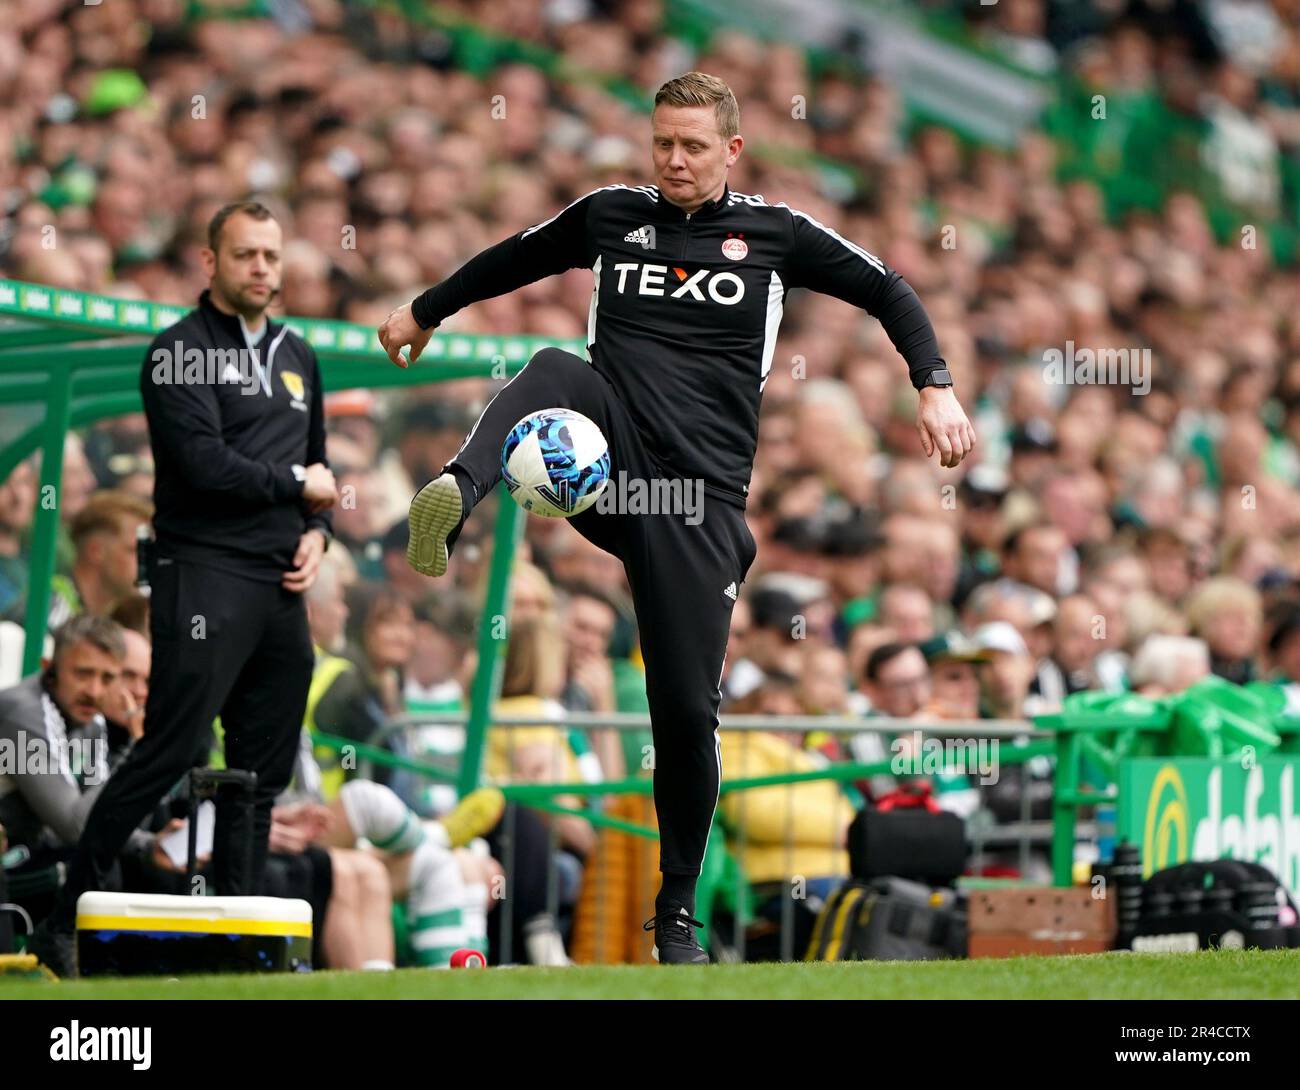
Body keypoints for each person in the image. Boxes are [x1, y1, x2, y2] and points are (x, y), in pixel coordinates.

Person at [377, 72, 975, 963]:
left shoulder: (776, 234)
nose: (674, 160)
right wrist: (425, 311)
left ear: (732, 150)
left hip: (695, 504)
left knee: (684, 714)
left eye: (693, 146)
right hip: (612, 461)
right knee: (552, 363)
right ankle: (459, 494)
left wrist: (934, 386)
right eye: (662, 142)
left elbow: (890, 288)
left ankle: (679, 912)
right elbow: (517, 255)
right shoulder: (614, 216)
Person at [30, 201, 339, 977]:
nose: (262, 268)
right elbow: (204, 466)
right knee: (168, 749)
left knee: (260, 775)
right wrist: (298, 484)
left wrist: (318, 533)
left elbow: (324, 477)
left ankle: (238, 940)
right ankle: (64, 913)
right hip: (203, 571)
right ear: (210, 263)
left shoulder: (300, 353)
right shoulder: (176, 353)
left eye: (271, 255)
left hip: (281, 584)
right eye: (245, 255)